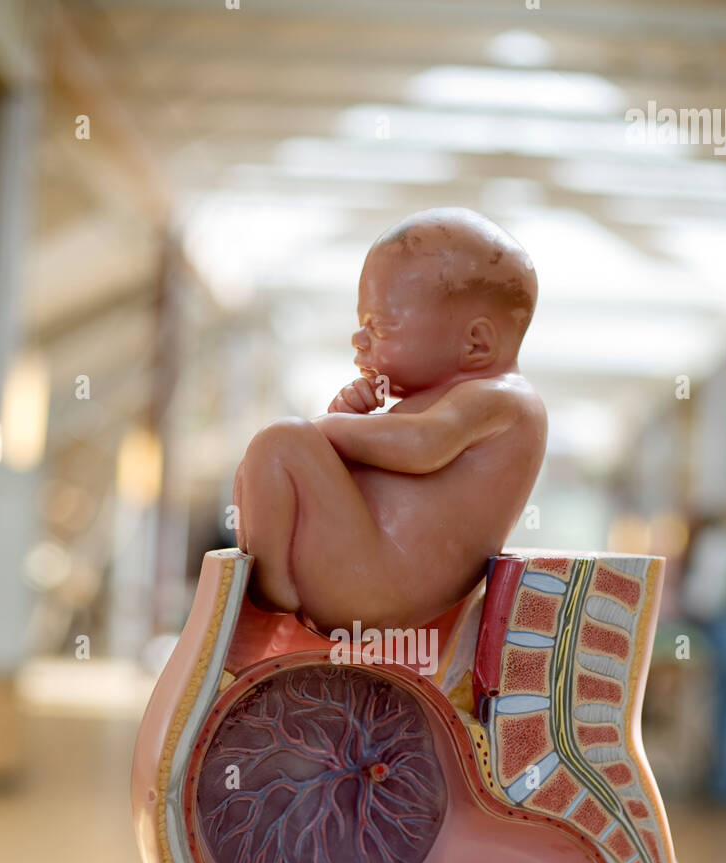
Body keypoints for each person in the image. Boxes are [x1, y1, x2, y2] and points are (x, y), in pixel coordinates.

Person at [234, 207, 547, 634]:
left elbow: (421, 446)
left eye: (379, 327)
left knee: (280, 442)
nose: (358, 340)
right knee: (270, 457)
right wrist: (345, 420)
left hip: (376, 584)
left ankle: (270, 590)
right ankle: (277, 579)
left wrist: (327, 428)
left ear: (475, 343)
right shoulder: (445, 397)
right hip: (367, 571)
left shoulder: (501, 398)